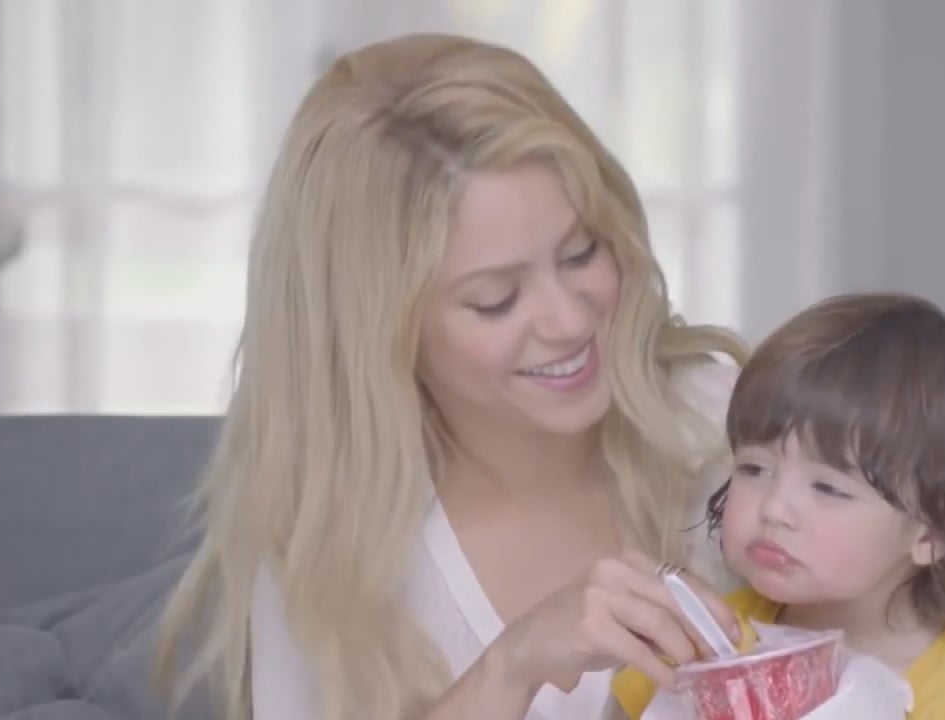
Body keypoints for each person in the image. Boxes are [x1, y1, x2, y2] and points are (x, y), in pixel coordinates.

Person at [153, 32, 750, 720]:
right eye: (496, 299)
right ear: (384, 332)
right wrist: (510, 668)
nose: (568, 320)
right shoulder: (330, 548)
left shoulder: (729, 431)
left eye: (581, 253)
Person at [611, 292, 945, 718]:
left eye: (828, 488)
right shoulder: (711, 637)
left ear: (933, 532)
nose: (774, 508)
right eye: (754, 468)